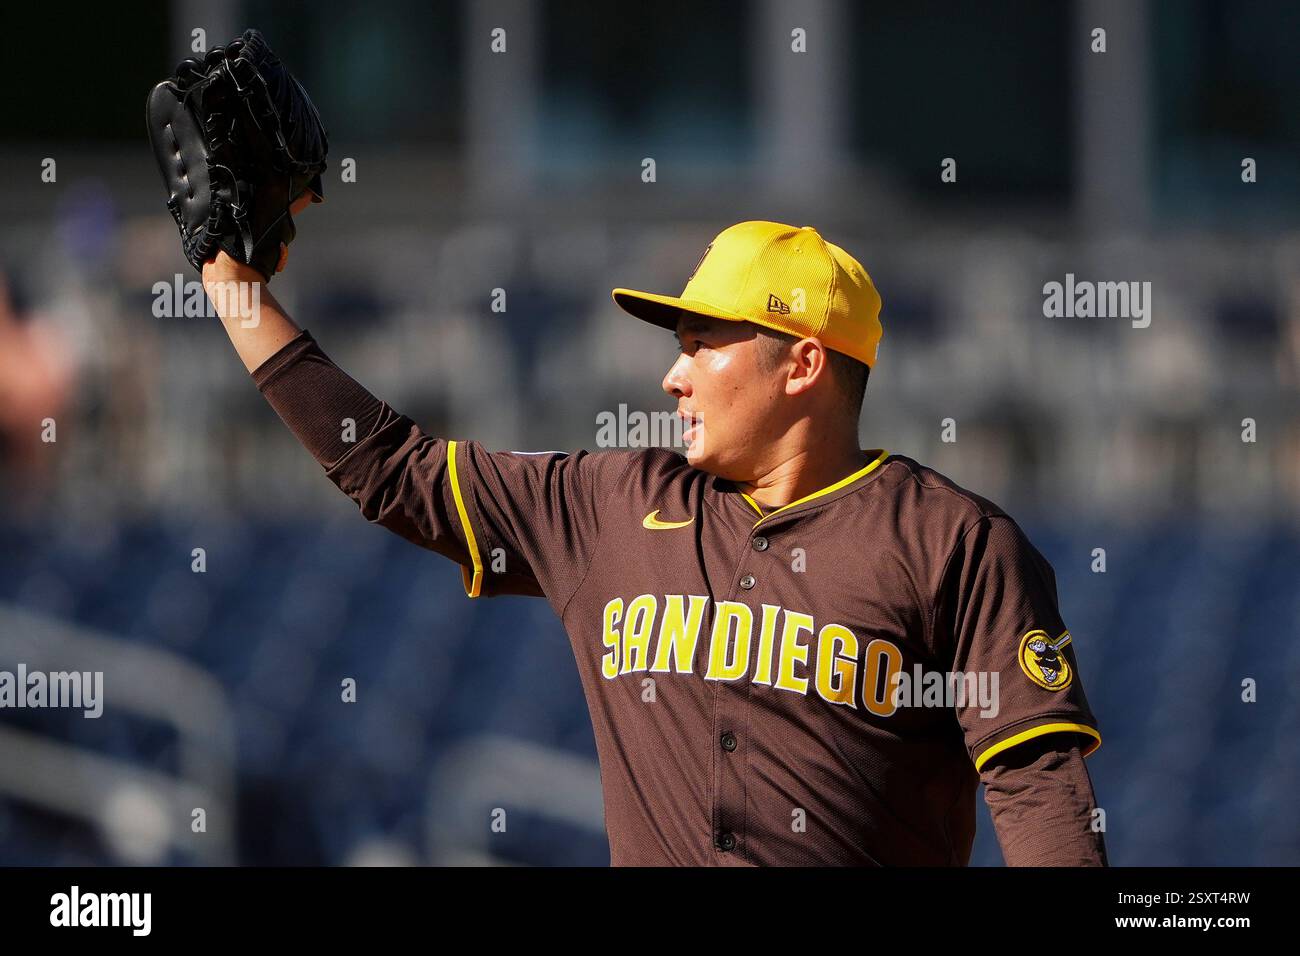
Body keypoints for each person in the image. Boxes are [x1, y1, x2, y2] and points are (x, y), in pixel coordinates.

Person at [200, 207, 1106, 866]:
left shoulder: (954, 542)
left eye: (702, 343)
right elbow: (390, 468)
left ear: (802, 363)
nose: (673, 377)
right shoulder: (611, 503)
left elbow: (1036, 788)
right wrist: (233, 288)